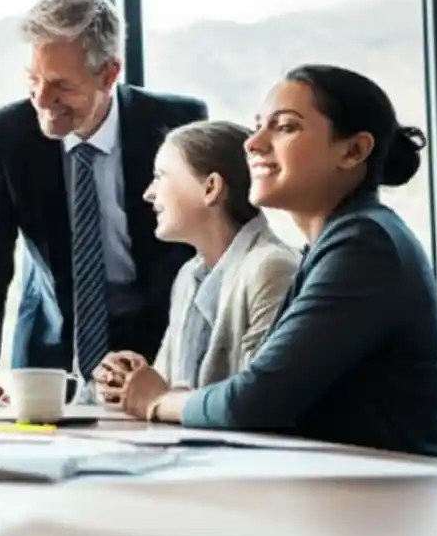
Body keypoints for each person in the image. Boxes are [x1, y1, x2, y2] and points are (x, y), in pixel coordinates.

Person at [112, 65, 437, 458]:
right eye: (257, 126)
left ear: (353, 151)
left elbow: (253, 400)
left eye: (284, 127)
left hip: (391, 496)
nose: (253, 143)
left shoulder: (364, 245)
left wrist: (158, 401)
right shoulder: (343, 240)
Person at [0, 0, 207, 410]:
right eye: (33, 80)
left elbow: (207, 244)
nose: (41, 100)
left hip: (161, 346)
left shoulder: (177, 124)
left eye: (60, 85)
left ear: (109, 74)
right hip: (49, 353)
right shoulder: (7, 135)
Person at [93, 121, 297, 403]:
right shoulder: (189, 275)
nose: (148, 193)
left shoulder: (272, 269)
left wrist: (157, 397)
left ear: (211, 187)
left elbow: (258, 399)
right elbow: (171, 391)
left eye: (160, 177)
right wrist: (132, 380)